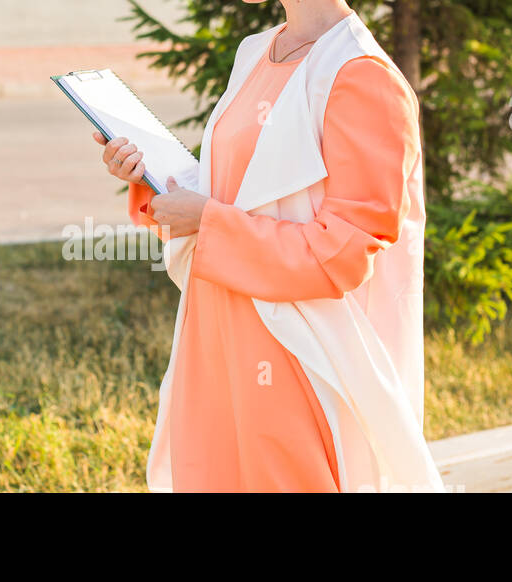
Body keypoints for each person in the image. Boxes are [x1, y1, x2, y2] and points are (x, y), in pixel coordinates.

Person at [94, 0, 445, 492]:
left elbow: (342, 253)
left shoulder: (364, 77)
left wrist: (211, 223)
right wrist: (150, 179)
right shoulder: (257, 52)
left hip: (293, 354)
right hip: (215, 330)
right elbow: (234, 193)